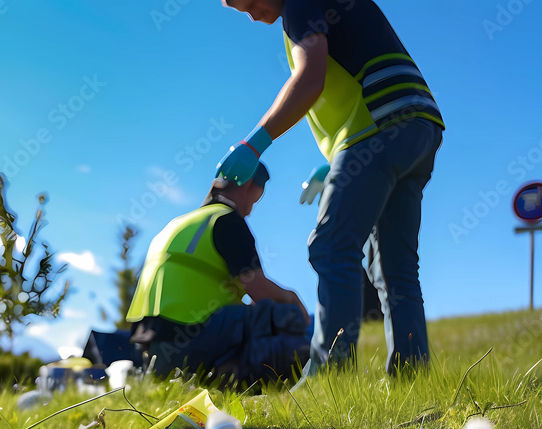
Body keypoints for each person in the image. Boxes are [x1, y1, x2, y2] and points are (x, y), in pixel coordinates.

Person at [215, 0, 445, 377]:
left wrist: (253, 144)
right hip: (417, 123)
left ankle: (328, 375)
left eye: (250, 1)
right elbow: (354, 63)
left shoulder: (298, 3)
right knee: (395, 268)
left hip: (377, 124)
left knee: (331, 245)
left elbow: (310, 78)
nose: (252, 13)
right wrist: (339, 161)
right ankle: (412, 377)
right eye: (241, 10)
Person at [126, 163, 311, 384]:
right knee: (282, 313)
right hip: (191, 339)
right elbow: (257, 288)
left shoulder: (179, 224)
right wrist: (292, 298)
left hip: (153, 351)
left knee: (250, 317)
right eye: (256, 199)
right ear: (249, 186)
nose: (251, 209)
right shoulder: (226, 219)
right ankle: (256, 378)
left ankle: (216, 375)